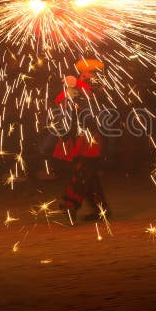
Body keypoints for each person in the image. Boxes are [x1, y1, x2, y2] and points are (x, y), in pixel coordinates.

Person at [53, 61, 109, 222]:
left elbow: (94, 100)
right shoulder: (78, 87)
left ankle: (71, 203)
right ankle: (101, 210)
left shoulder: (97, 88)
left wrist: (78, 85)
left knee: (84, 172)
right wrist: (69, 91)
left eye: (89, 73)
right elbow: (59, 101)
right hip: (79, 137)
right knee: (88, 175)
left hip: (92, 137)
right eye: (83, 73)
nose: (85, 75)